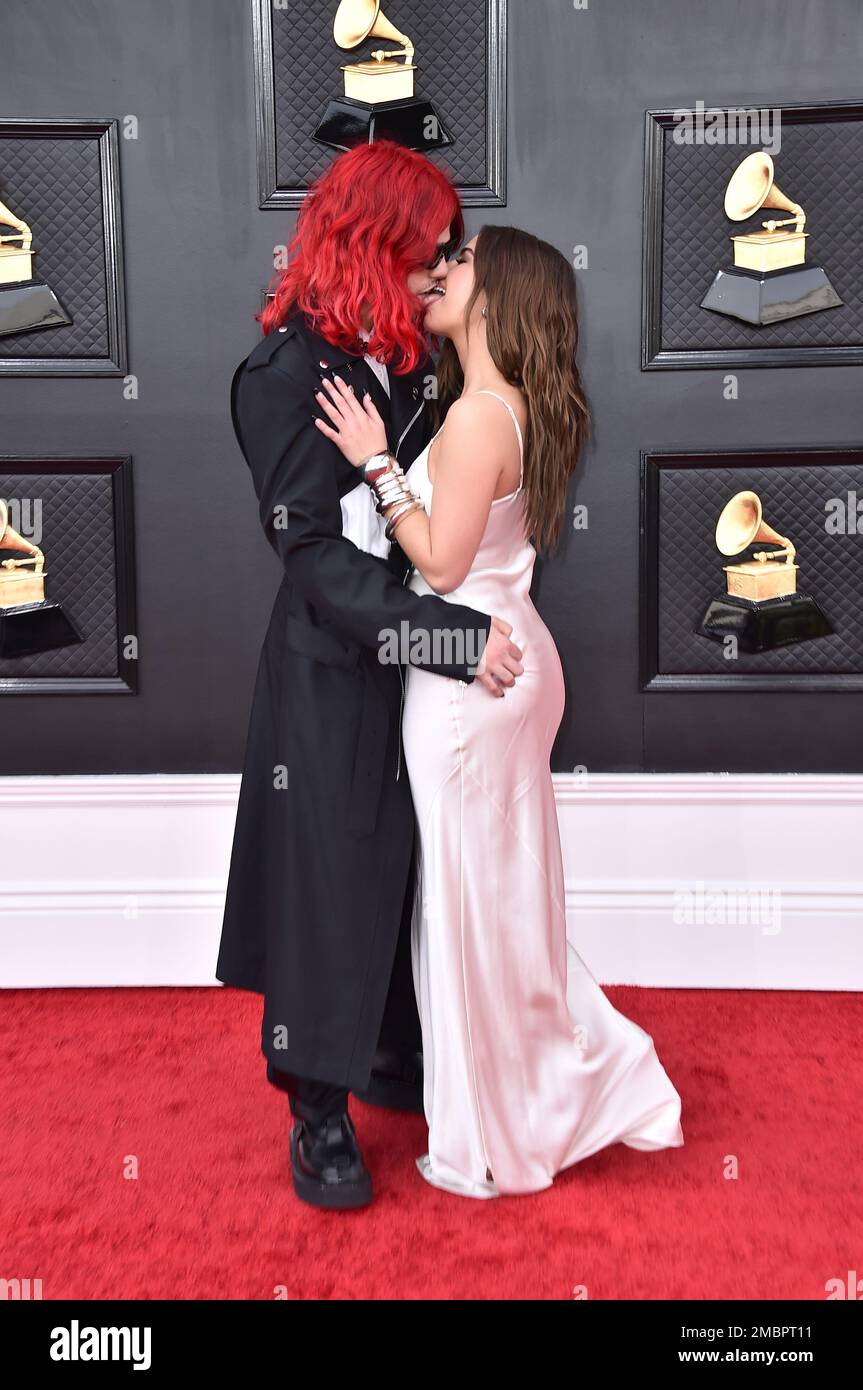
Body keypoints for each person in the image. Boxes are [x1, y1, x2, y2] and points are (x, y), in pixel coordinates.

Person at [314, 224, 685, 1198]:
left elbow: (436, 563)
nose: (436, 271)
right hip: (498, 663)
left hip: (467, 681)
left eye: (460, 260)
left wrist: (372, 462)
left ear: (499, 292)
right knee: (496, 899)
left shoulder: (481, 415)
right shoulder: (486, 403)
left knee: (471, 903)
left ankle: (505, 1122)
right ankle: (556, 1083)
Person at [216, 144, 524, 1212]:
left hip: (407, 657)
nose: (440, 268)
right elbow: (310, 556)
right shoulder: (282, 373)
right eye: (427, 249)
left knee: (405, 862)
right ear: (374, 245)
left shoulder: (396, 350)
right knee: (327, 879)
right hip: (329, 669)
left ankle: (390, 1049)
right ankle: (315, 1110)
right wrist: (445, 634)